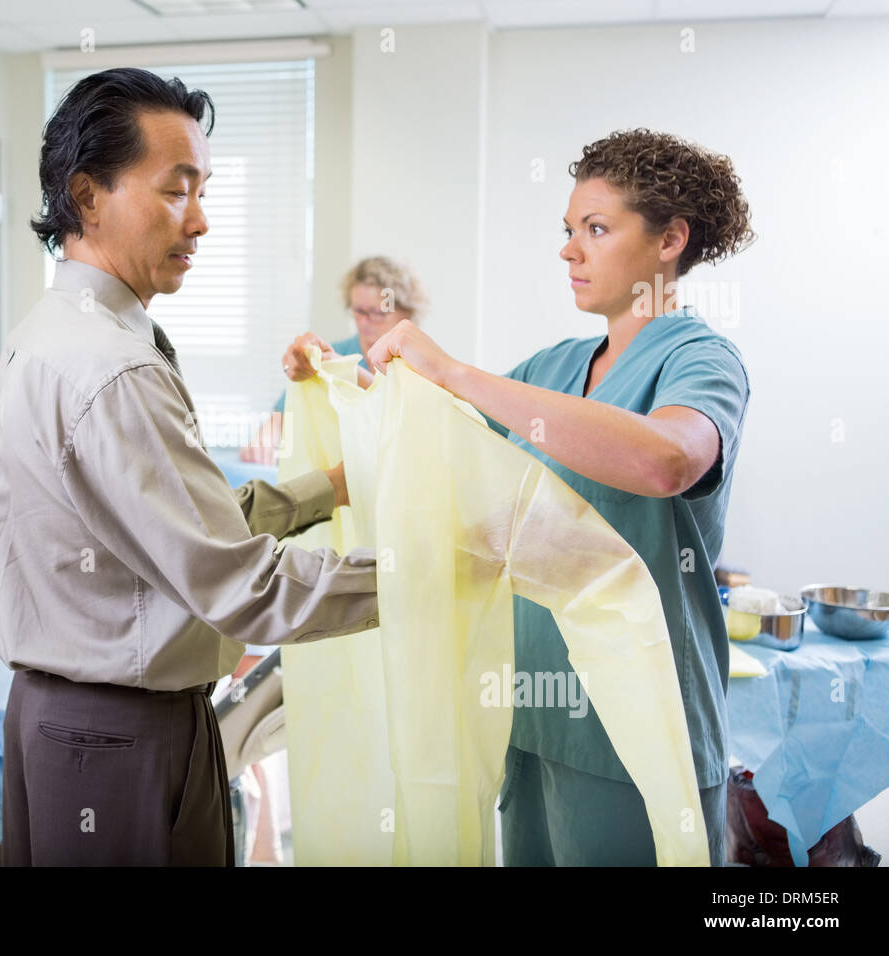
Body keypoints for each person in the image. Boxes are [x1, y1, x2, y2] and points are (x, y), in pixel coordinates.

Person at [284, 128, 754, 866]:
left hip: (634, 724)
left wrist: (458, 373)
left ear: (671, 241)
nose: (569, 250)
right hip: (532, 712)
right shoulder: (557, 365)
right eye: (568, 231)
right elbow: (427, 459)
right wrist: (329, 387)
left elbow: (668, 460)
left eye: (596, 229)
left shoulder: (701, 359)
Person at [0, 67, 380, 867]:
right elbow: (242, 586)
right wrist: (436, 570)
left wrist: (324, 491)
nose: (200, 222)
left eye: (202, 191)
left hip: (62, 722)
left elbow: (168, 525)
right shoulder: (112, 368)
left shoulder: (56, 329)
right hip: (121, 736)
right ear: (87, 197)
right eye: (176, 191)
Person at [239, 256, 427, 464]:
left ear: (405, 312)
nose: (364, 322)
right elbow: (284, 413)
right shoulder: (334, 355)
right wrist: (266, 437)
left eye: (376, 313)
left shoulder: (423, 366)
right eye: (358, 311)